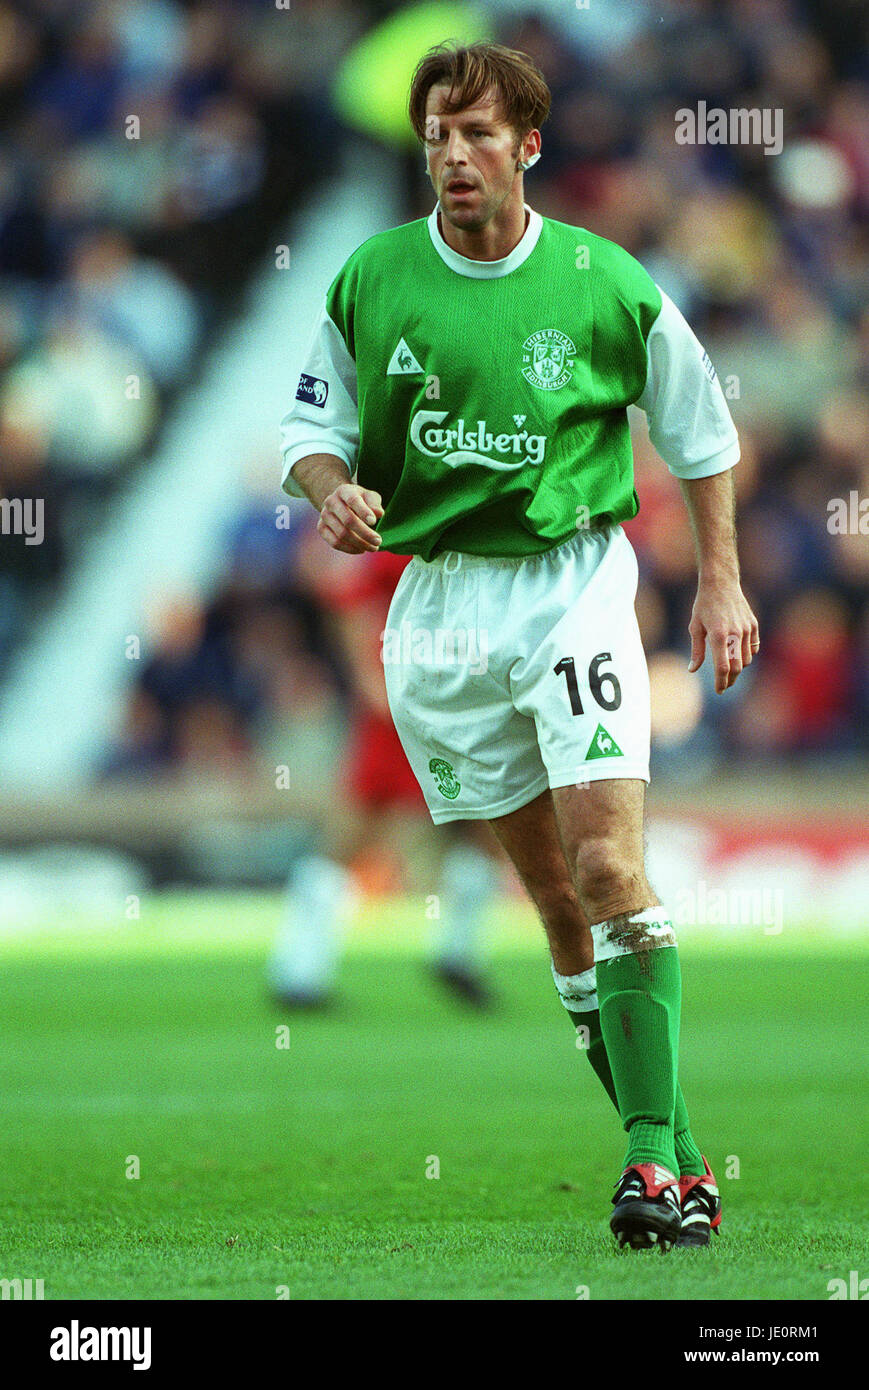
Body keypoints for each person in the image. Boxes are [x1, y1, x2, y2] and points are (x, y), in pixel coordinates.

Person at [279, 41, 759, 1251]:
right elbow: (308, 430)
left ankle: (645, 1163)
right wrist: (329, 490)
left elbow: (701, 435)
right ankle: (681, 1160)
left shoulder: (603, 282)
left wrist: (720, 584)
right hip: (436, 609)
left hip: (573, 585)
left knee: (607, 868)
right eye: (436, 134)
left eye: (477, 133)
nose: (452, 154)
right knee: (552, 905)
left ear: (527, 147)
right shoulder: (371, 278)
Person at [267, 538, 501, 1009]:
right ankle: (299, 970)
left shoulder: (470, 533)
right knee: (356, 831)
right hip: (403, 706)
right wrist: (374, 683)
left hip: (459, 703)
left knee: (486, 827)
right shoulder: (408, 535)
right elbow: (355, 604)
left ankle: (458, 953)